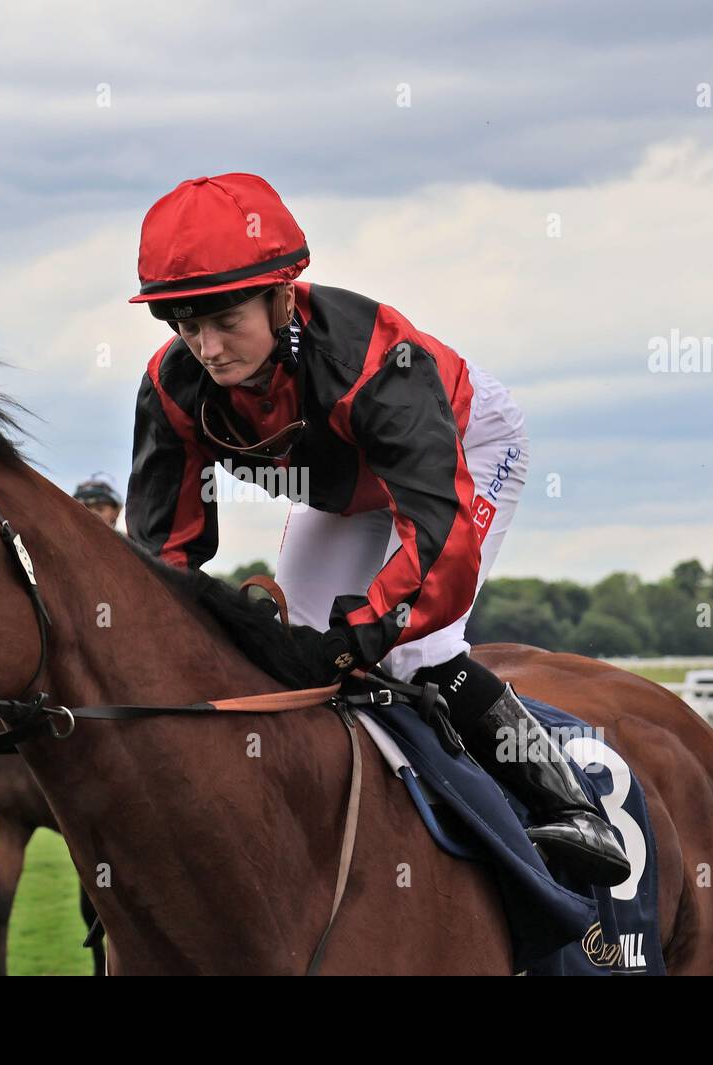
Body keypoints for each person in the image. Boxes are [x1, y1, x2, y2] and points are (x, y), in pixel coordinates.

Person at [124, 173, 629, 886]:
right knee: (290, 658)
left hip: (465, 446)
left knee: (412, 651)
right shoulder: (173, 386)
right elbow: (161, 555)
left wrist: (362, 630)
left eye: (225, 320)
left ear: (280, 295)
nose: (207, 348)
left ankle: (574, 806)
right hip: (342, 487)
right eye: (186, 325)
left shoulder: (373, 361)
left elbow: (436, 534)